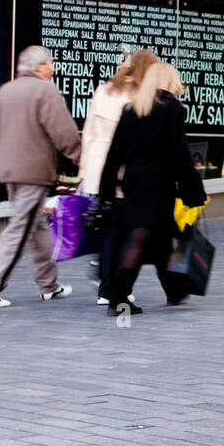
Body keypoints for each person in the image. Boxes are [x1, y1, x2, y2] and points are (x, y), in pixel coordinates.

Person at [0, 46, 82, 306]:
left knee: (37, 227)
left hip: (10, 172)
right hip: (33, 173)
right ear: (38, 67)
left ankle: (49, 285)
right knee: (20, 229)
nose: (53, 67)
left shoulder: (6, 90)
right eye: (50, 63)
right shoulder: (45, 91)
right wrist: (83, 160)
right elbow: (64, 132)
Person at [98, 62, 206, 314]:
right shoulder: (172, 109)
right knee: (140, 236)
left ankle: (176, 290)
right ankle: (119, 296)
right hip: (159, 184)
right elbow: (179, 153)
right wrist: (193, 188)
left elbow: (114, 154)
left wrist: (106, 191)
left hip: (134, 182)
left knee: (160, 238)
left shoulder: (131, 109)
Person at [77, 49, 158, 305]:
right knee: (121, 229)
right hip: (122, 167)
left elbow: (88, 131)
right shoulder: (138, 96)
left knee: (112, 226)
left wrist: (83, 168)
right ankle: (111, 287)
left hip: (97, 164)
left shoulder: (102, 91)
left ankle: (106, 284)